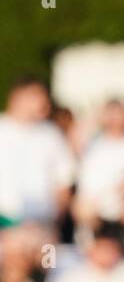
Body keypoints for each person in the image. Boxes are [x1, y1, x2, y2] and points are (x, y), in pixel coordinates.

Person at [0, 76, 76, 228]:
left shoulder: (51, 134)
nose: (43, 103)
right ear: (18, 97)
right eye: (37, 96)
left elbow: (64, 179)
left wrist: (56, 219)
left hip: (42, 224)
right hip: (4, 221)